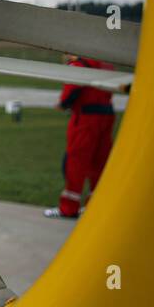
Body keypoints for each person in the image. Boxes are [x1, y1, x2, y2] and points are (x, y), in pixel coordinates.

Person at [43, 55, 116, 219]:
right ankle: (95, 207)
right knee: (99, 163)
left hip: (85, 118)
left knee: (75, 162)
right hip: (106, 116)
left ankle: (68, 208)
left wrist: (62, 104)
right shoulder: (105, 63)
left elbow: (71, 90)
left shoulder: (78, 65)